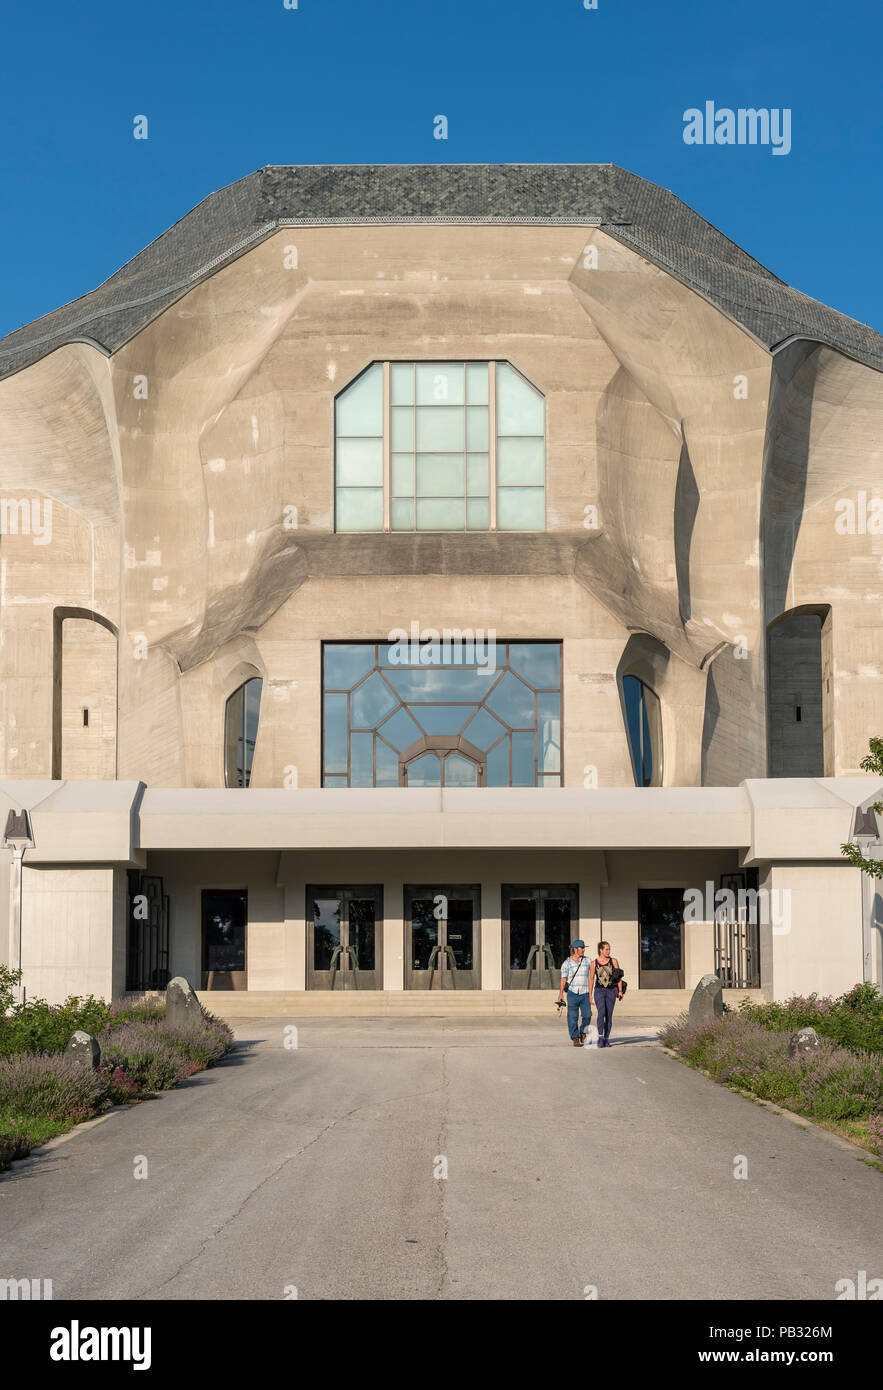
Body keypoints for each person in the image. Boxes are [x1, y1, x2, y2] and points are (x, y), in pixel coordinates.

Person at [588, 940, 623, 1047]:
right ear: (601, 950)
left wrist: (620, 991)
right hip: (599, 990)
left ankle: (606, 1039)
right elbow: (591, 979)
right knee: (601, 1013)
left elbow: (618, 978)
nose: (608, 951)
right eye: (606, 949)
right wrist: (590, 994)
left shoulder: (614, 961)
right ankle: (600, 1037)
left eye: (609, 949)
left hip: (611, 991)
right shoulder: (594, 963)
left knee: (609, 1015)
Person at [557, 940, 591, 1047]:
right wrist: (561, 994)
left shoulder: (588, 961)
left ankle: (583, 1032)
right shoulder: (566, 963)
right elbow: (563, 979)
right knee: (572, 1017)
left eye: (584, 948)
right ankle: (575, 1037)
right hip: (572, 993)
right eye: (582, 948)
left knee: (587, 1015)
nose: (583, 950)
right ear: (575, 949)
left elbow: (595, 971)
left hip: (585, 993)